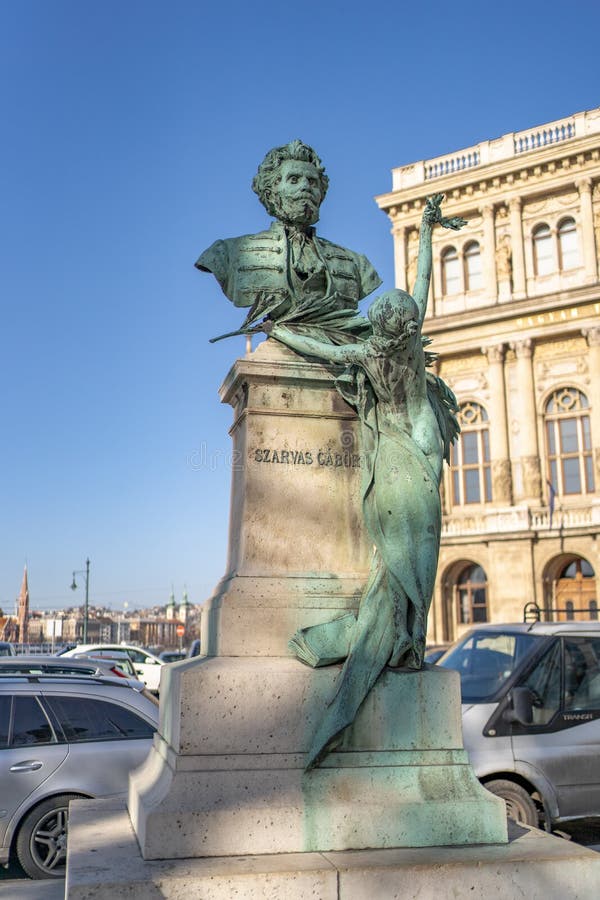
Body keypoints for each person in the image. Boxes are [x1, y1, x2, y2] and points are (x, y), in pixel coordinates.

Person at [263, 193, 465, 768]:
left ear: (383, 325)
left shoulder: (368, 359)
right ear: (407, 327)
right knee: (413, 576)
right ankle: (404, 645)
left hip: (396, 482)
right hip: (417, 480)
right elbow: (421, 282)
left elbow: (319, 345)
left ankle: (386, 644)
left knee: (399, 574)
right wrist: (426, 234)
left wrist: (282, 329)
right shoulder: (406, 355)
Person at [196, 140, 381, 343]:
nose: (305, 187)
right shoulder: (228, 253)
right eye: (294, 179)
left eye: (312, 182)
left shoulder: (355, 263)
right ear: (271, 192)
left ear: (321, 194)